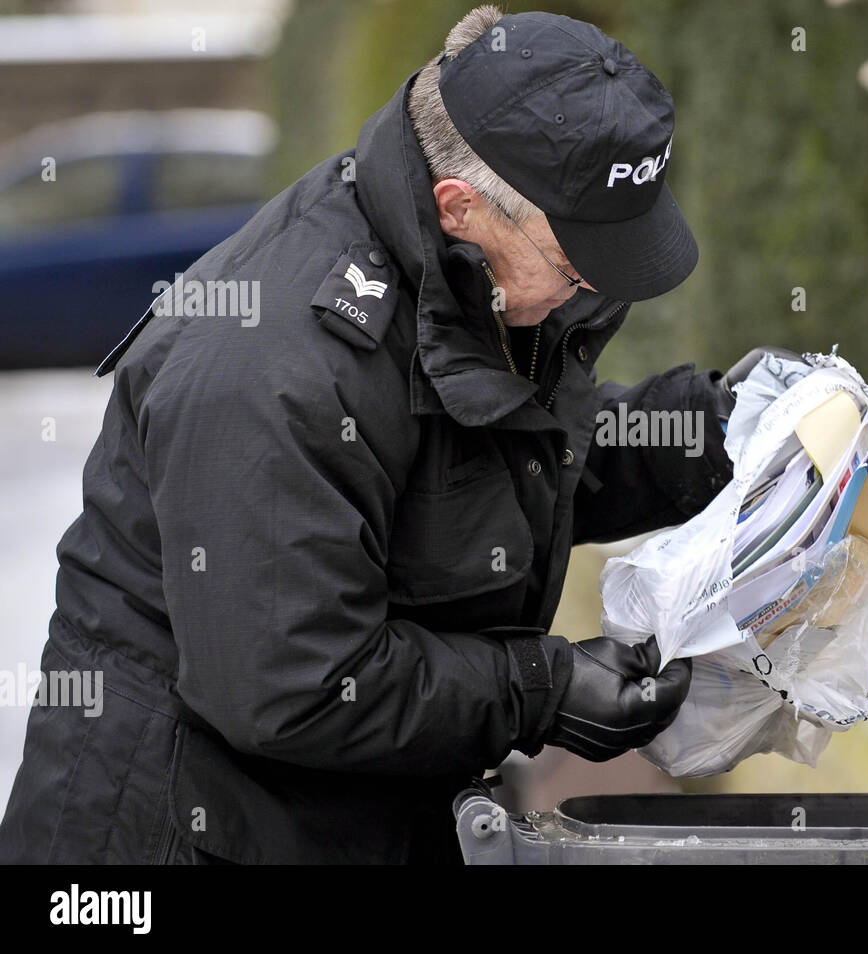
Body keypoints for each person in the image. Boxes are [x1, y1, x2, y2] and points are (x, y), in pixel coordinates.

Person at [0, 6, 781, 864]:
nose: (589, 289)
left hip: (343, 813)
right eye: (574, 263)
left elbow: (502, 464)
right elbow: (294, 682)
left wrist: (716, 430)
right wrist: (541, 690)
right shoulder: (272, 368)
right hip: (174, 839)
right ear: (461, 206)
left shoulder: (458, 275)